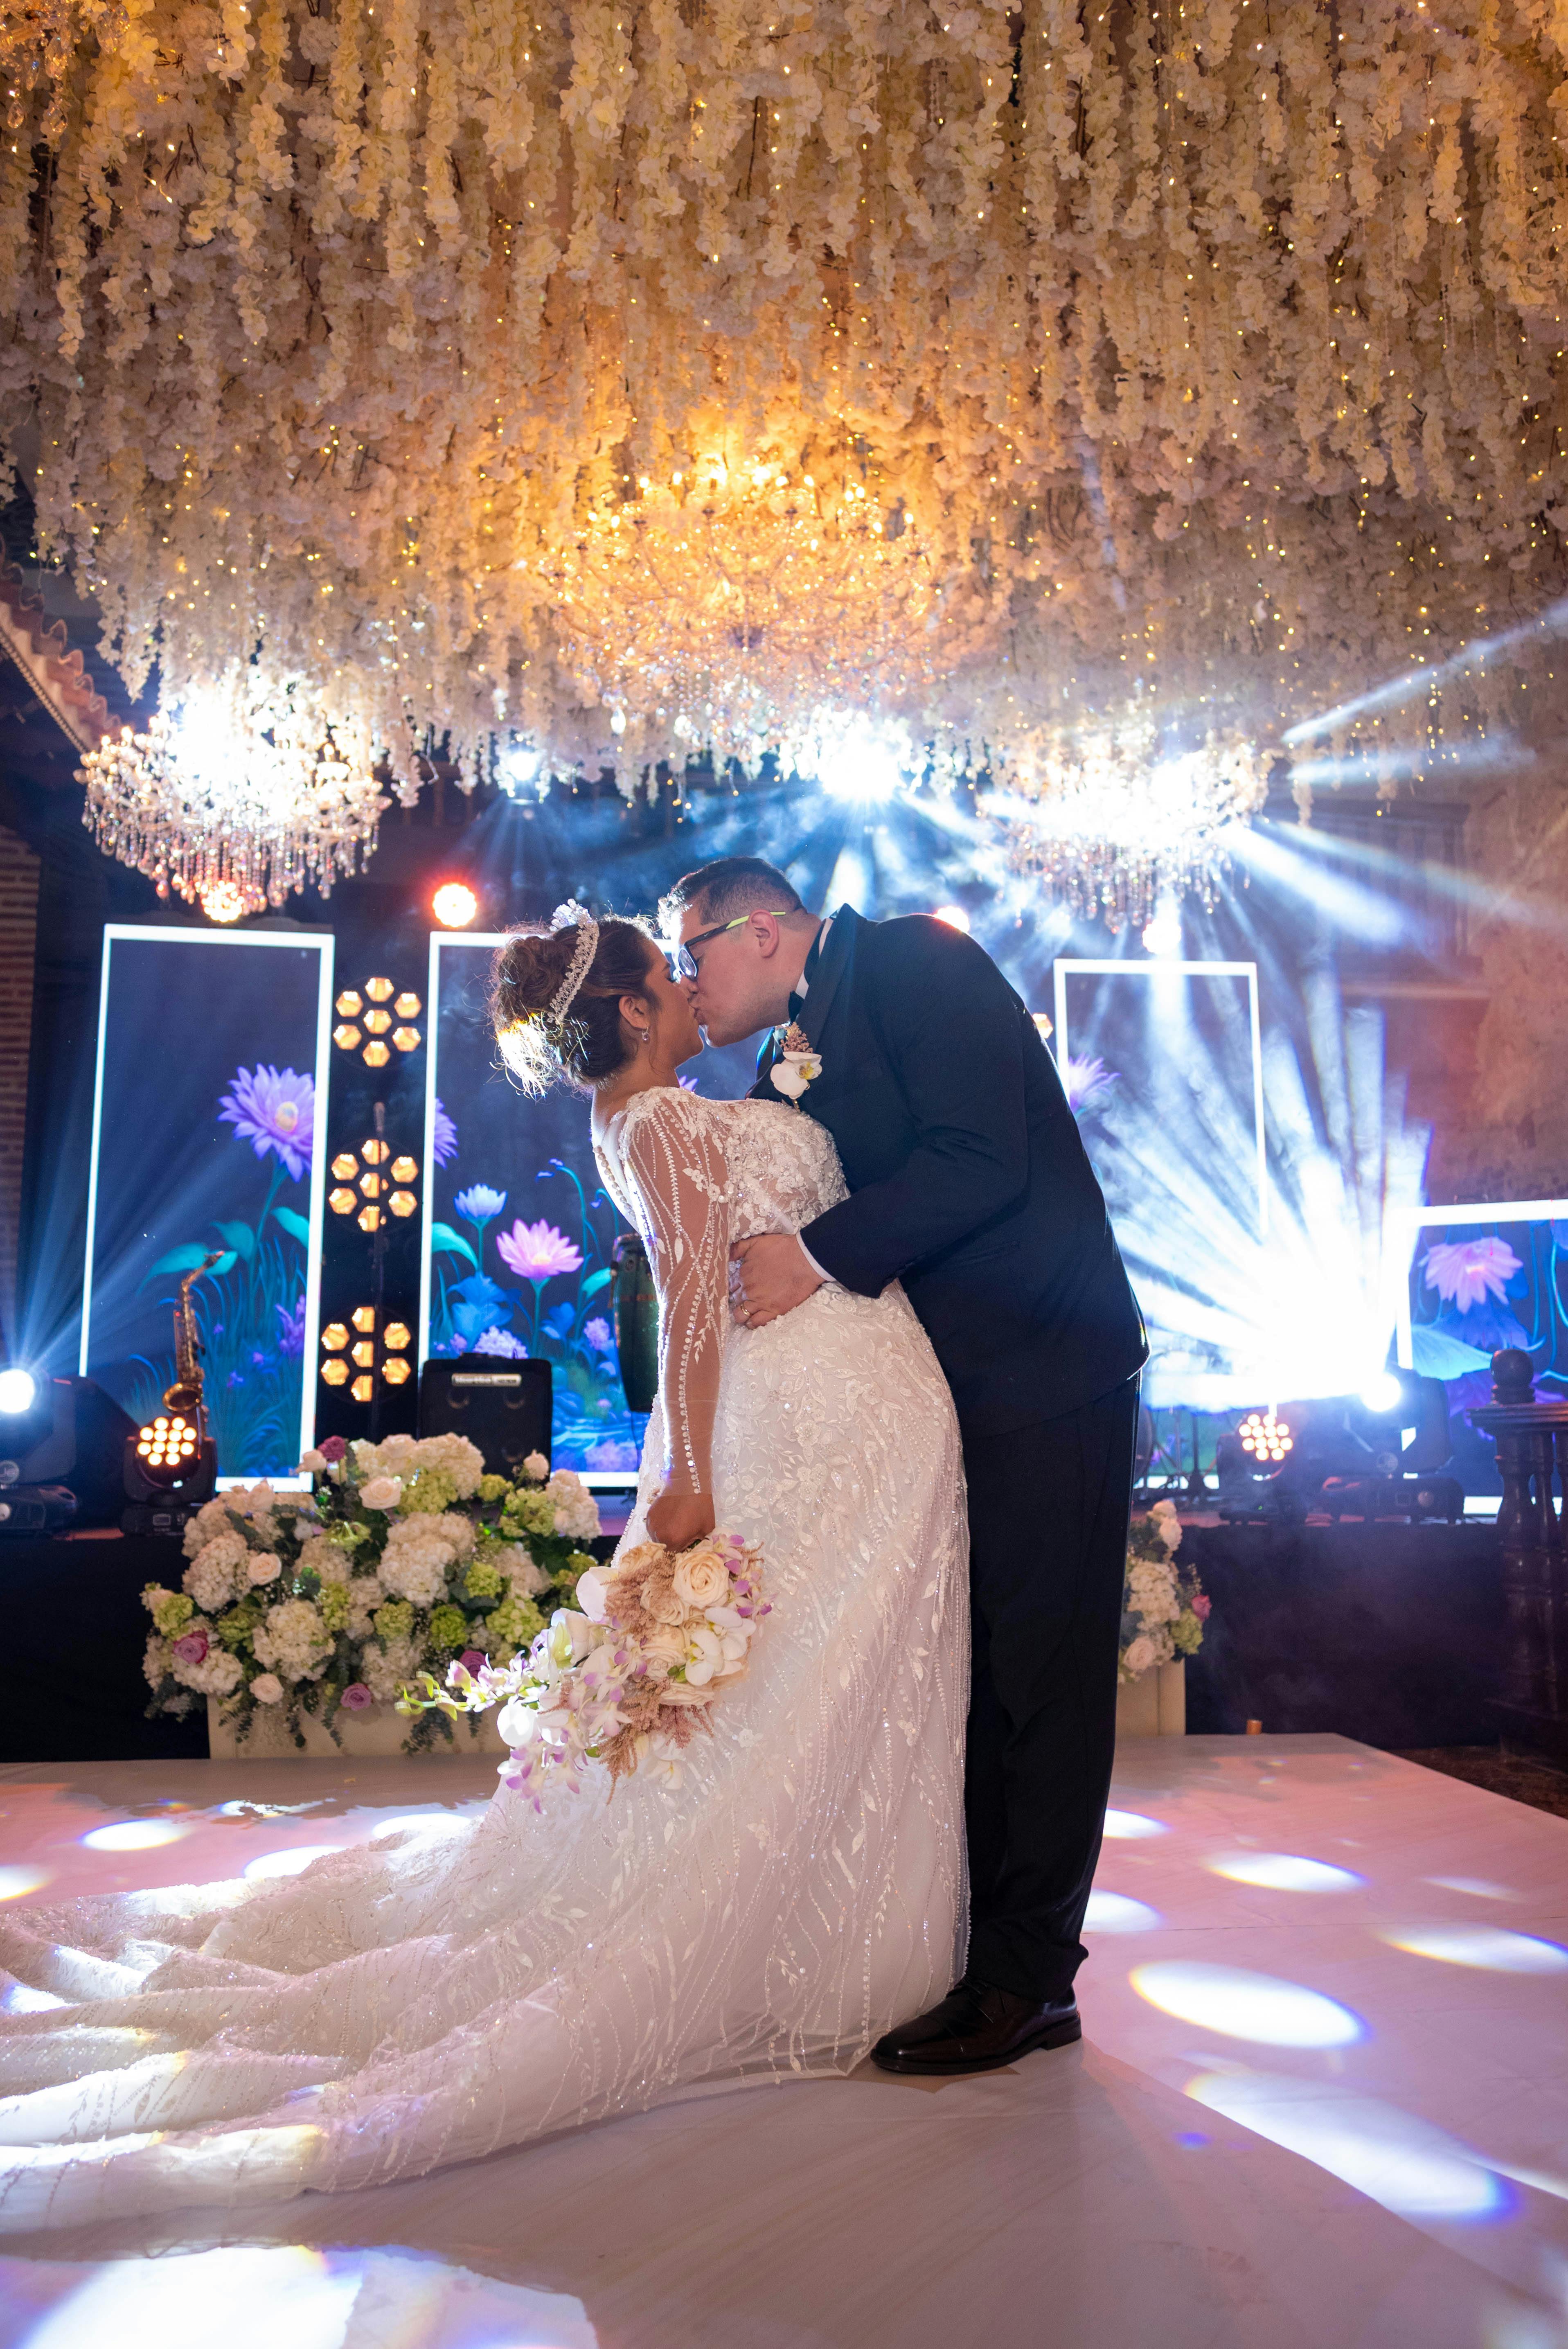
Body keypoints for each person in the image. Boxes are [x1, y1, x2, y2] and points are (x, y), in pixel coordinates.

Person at [0, 907, 968, 2233]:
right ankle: (803, 1936)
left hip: (835, 1414)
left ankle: (835, 1912)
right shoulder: (666, 1122)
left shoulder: (644, 1117)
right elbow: (689, 1295)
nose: (688, 984)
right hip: (807, 1426)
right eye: (667, 974)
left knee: (809, 1676)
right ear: (628, 1012)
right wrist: (680, 1473)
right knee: (796, 1679)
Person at [663, 857, 1146, 2076]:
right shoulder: (788, 1055)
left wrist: (817, 1255)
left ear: (761, 930)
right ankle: (979, 1952)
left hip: (1046, 1365)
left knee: (1044, 1669)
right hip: (938, 1391)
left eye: (694, 956)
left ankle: (1031, 1979)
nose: (688, 982)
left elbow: (984, 1157)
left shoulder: (925, 963)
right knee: (971, 1667)